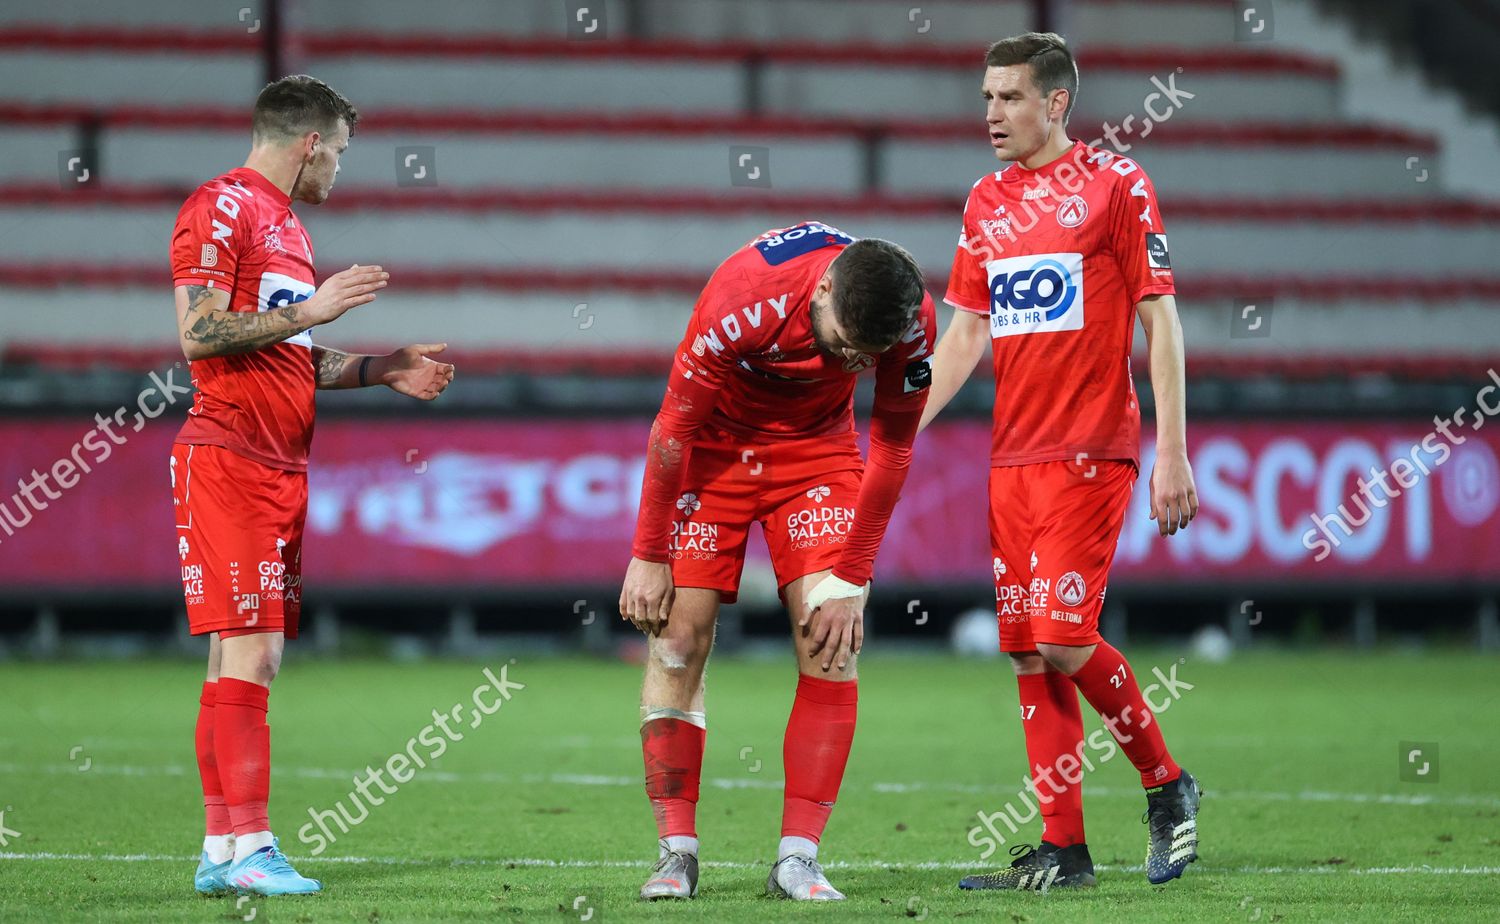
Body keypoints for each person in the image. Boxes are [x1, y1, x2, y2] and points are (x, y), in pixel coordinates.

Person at [919, 33, 1202, 890]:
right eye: (986, 97)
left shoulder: (1116, 185)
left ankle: (1167, 785)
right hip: (1014, 461)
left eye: (1009, 97)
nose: (992, 113)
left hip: (1091, 450)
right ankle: (1064, 849)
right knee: (1028, 653)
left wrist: (1172, 451)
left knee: (1062, 636)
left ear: (1056, 103)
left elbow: (1160, 319)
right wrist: (898, 429)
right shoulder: (986, 200)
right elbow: (965, 334)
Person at [170, 75, 455, 897]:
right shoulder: (221, 207)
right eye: (340, 153)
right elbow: (199, 333)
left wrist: (380, 368)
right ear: (311, 144)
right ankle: (255, 849)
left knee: (232, 657)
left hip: (277, 463)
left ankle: (222, 849)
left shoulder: (287, 226)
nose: (339, 169)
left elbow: (285, 352)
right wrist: (315, 310)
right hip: (230, 456)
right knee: (255, 652)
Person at [619, 222, 936, 902]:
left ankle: (798, 860)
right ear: (823, 290)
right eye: (845, 342)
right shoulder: (742, 297)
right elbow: (673, 429)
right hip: (716, 450)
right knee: (676, 644)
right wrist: (648, 554)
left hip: (818, 456)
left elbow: (893, 448)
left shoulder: (910, 319)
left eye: (866, 355)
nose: (853, 359)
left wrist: (853, 575)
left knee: (832, 642)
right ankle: (676, 854)